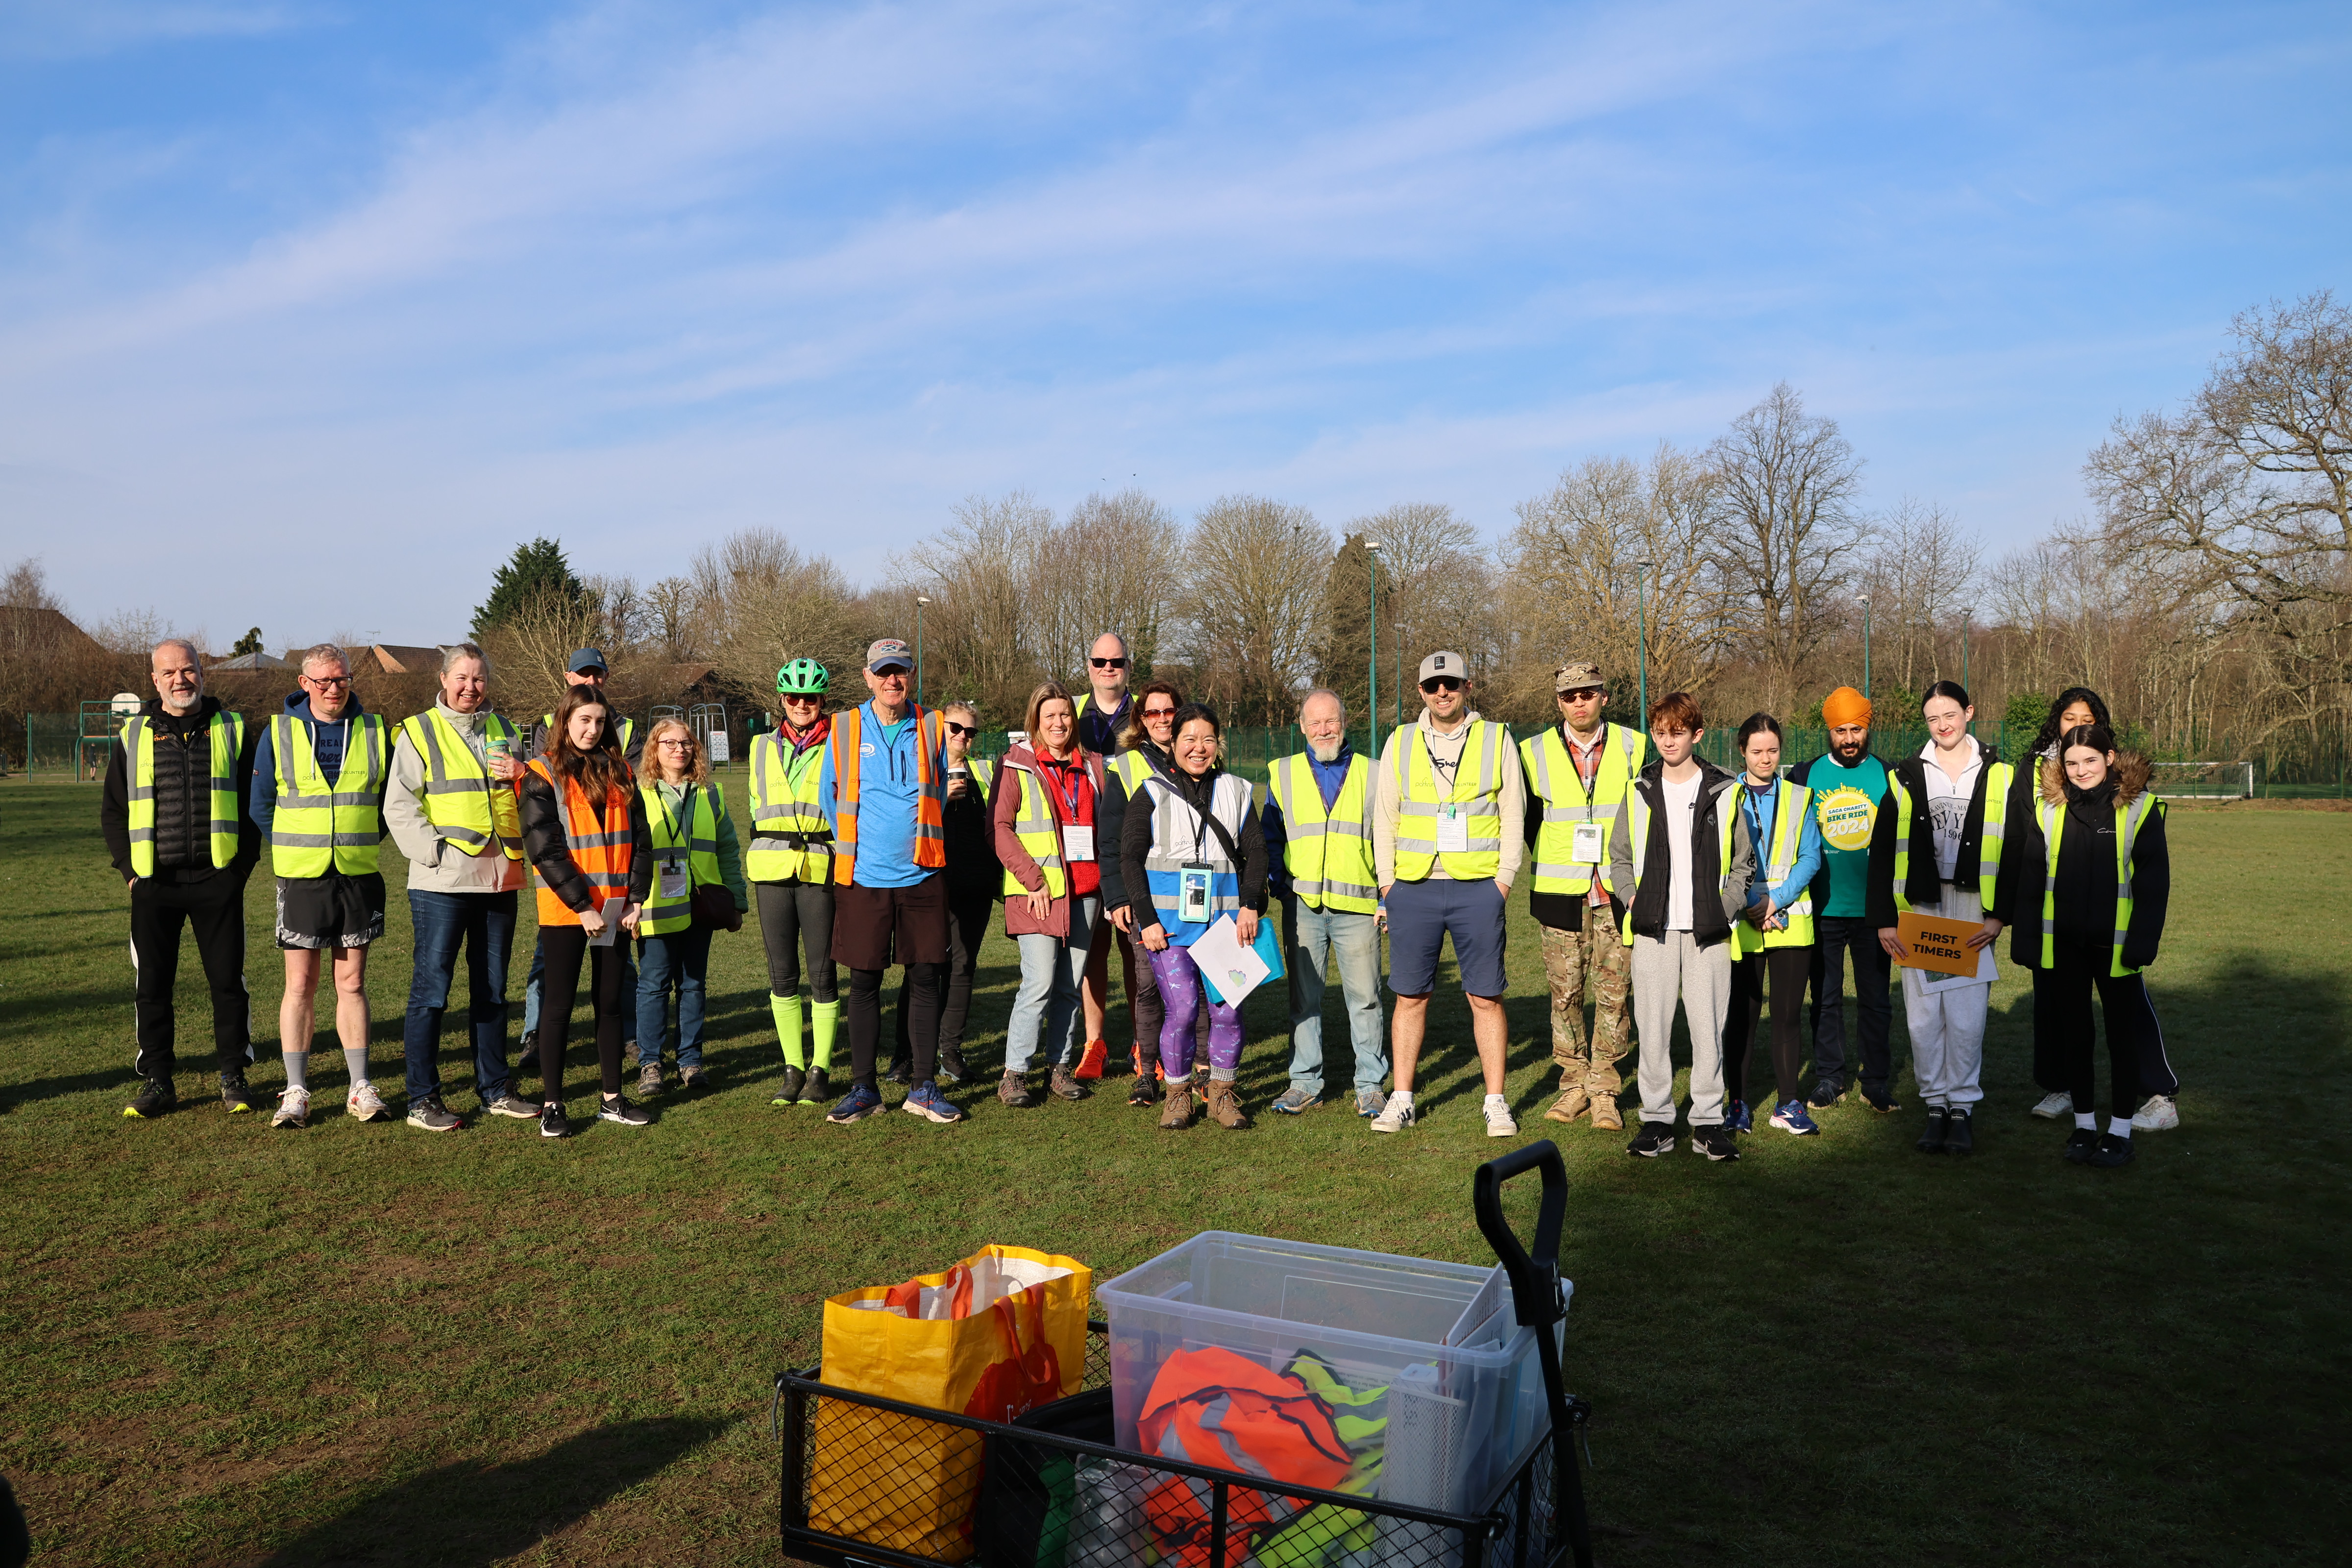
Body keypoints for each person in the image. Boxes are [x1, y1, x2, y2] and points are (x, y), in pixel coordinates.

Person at [1368, 651, 1527, 1138]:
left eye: (1451, 683)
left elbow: (1512, 811)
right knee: (1410, 997)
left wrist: (1503, 880)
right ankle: (1402, 1099)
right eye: (1433, 685)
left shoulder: (1497, 738)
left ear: (1468, 685)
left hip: (1478, 887)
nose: (1442, 692)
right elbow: (1385, 816)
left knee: (1485, 996)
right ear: (1420, 691)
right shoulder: (1401, 740)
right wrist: (1389, 883)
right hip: (1413, 888)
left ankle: (1496, 1102)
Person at [103, 637, 264, 1119]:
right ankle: (157, 1080)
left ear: (202, 672)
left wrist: (238, 871)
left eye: (188, 670)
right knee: (152, 985)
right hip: (155, 884)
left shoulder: (233, 729)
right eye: (169, 672)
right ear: (155, 680)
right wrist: (131, 873)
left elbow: (256, 807)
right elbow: (113, 812)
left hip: (218, 881)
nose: (181, 679)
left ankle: (234, 1075)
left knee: (227, 983)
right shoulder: (133, 735)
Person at [385, 642, 539, 1131]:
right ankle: (422, 1099)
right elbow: (399, 806)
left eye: (478, 679)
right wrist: (435, 853)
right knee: (432, 991)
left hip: (501, 877)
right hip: (442, 882)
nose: (470, 687)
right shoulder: (418, 730)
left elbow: (525, 797)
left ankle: (495, 1088)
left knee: (493, 989)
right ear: (443, 677)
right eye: (462, 677)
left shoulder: (508, 731)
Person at [2002, 722, 2170, 1169]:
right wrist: (2027, 942)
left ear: (2110, 759)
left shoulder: (2141, 808)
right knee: (2075, 1038)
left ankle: (2119, 1132)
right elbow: (2033, 879)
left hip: (2117, 949)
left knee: (2121, 1040)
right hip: (2064, 948)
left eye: (2091, 761)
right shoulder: (2049, 810)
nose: (2081, 771)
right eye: (2072, 763)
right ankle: (2083, 1127)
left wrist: (2141, 945)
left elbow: (2154, 885)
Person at [816, 637, 965, 1126]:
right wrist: (862, 848)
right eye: (884, 672)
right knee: (863, 981)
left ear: (911, 673)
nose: (892, 680)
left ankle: (923, 1085)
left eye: (900, 671)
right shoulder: (843, 727)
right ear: (868, 677)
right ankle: (864, 1088)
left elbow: (939, 788)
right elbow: (828, 795)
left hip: (923, 874)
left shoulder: (933, 724)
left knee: (925, 977)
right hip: (862, 877)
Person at [1868, 681, 2013, 1156]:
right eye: (1933, 717)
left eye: (1950, 713)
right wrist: (1886, 920)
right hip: (1922, 907)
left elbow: (2013, 850)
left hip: (1974, 908)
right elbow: (1882, 850)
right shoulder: (1906, 774)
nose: (1943, 724)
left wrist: (1999, 915)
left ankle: (1962, 1109)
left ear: (1970, 711)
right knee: (1926, 1013)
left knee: (1968, 1015)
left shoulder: (1998, 774)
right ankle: (1935, 1105)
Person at [1609, 692, 1754, 1162]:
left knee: (1708, 1027)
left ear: (1697, 734)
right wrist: (1633, 900)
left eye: (1678, 731)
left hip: (1708, 932)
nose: (1667, 740)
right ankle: (1656, 1120)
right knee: (1652, 1029)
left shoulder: (1727, 789)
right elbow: (1620, 858)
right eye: (1660, 731)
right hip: (1653, 929)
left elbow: (1743, 862)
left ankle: (1708, 1123)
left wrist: (1727, 906)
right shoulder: (1637, 789)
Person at [249, 645, 389, 1128]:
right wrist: (295, 847)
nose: (335, 687)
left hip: (356, 873)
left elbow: (385, 803)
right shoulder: (279, 732)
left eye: (343, 678)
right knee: (300, 985)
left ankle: (359, 1086)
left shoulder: (375, 730)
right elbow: (260, 804)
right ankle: (296, 1090)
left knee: (351, 983)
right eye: (325, 680)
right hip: (302, 876)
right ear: (305, 682)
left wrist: (357, 838)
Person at [1123, 703, 1269, 1130]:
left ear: (1218, 744)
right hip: (1168, 930)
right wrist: (1146, 920)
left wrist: (1250, 903)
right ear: (1174, 744)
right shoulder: (1150, 792)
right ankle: (1178, 1097)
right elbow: (1129, 859)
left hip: (1226, 928)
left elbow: (1257, 851)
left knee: (1226, 1013)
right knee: (1183, 1011)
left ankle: (1222, 1096)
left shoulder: (1238, 791)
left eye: (1208, 739)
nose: (1199, 748)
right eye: (1190, 739)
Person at [523, 686, 653, 1137]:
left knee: (611, 1005)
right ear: (565, 721)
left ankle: (612, 1099)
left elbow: (640, 840)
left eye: (599, 721)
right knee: (557, 1007)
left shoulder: (620, 770)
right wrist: (581, 905)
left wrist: (636, 900)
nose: (592, 729)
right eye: (583, 720)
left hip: (616, 911)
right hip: (567, 911)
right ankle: (554, 1105)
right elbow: (545, 849)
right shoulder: (542, 773)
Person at [1518, 661, 1643, 1130]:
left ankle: (1605, 1090)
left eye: (1588, 693)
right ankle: (1573, 1086)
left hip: (1618, 891)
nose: (1579, 702)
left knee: (1614, 996)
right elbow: (1527, 820)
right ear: (1558, 703)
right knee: (1565, 996)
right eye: (1570, 696)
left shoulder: (1636, 746)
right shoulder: (1532, 752)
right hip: (1559, 891)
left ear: (1604, 697)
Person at [1263, 688, 1386, 1117]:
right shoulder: (1282, 772)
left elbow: (1388, 840)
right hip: (1304, 907)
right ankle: (1304, 1082)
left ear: (1345, 721)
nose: (1323, 730)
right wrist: (1281, 886)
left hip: (1360, 906)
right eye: (1314, 723)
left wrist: (1388, 896)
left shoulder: (1376, 773)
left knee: (1365, 999)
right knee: (1304, 999)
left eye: (1330, 721)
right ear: (1301, 727)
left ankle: (1370, 1085)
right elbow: (1271, 837)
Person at [994, 683, 1109, 1106]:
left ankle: (1060, 1068)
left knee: (1069, 984)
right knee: (1039, 983)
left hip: (1085, 894)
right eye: (1049, 717)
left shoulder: (1094, 766)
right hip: (1037, 894)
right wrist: (1033, 881)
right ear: (1035, 722)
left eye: (1065, 715)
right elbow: (1000, 830)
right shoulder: (1017, 764)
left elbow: (1105, 832)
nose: (1059, 723)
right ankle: (1015, 1074)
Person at [1791, 686, 1897, 1113]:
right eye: (1840, 731)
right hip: (1824, 911)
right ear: (1829, 731)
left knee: (1876, 1000)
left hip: (1875, 913)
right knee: (1826, 999)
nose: (1849, 738)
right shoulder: (1804, 774)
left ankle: (1875, 1081)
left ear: (1867, 729)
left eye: (1856, 729)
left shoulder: (1890, 776)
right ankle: (1830, 1078)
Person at [1101, 680, 1205, 1107]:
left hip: (1200, 895)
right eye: (1153, 713)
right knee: (1148, 986)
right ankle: (1148, 1074)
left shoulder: (1201, 758)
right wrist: (1118, 899)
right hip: (1147, 897)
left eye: (1169, 711)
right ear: (1140, 720)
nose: (1162, 719)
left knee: (1197, 985)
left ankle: (1202, 1071)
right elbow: (1110, 842)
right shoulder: (1125, 768)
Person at [1721, 713, 1824, 1136]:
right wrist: (1749, 901)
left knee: (1786, 1017)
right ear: (1742, 751)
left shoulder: (1802, 797)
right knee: (1741, 1015)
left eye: (1773, 750)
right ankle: (1737, 1104)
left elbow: (1811, 858)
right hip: (1741, 919)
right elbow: (1719, 857)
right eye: (1757, 751)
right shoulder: (1725, 796)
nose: (1766, 758)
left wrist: (1775, 901)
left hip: (1790, 919)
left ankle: (1787, 1104)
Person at [746, 659, 841, 1107]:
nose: (801, 705)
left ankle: (820, 1070)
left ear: (823, 701)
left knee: (822, 972)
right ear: (781, 701)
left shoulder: (840, 743)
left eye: (810, 698)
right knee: (781, 973)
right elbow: (755, 803)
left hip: (820, 865)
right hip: (770, 868)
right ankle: (793, 1069)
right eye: (793, 698)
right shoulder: (760, 745)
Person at [634, 718, 747, 1095]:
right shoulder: (638, 793)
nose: (679, 749)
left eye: (686, 743)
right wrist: (628, 904)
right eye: (670, 743)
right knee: (653, 986)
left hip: (700, 904)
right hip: (654, 906)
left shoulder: (709, 793)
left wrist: (737, 901)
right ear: (655, 747)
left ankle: (690, 1062)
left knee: (693, 985)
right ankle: (651, 1064)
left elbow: (729, 849)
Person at [892, 700, 1000, 1085]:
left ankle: (951, 1052)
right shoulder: (921, 768)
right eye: (956, 729)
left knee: (963, 966)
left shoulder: (985, 772)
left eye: (971, 732)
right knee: (923, 968)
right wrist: (940, 798)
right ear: (939, 728)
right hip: (929, 881)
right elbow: (902, 820)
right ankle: (904, 1055)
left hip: (976, 884)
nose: (964, 738)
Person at [1072, 631, 1135, 1078]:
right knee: (1092, 950)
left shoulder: (1148, 711)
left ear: (1128, 666)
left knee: (1138, 949)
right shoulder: (1070, 714)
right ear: (1089, 666)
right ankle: (1095, 1043)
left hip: (1136, 850)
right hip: (1085, 849)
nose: (1108, 668)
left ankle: (1141, 1042)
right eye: (1100, 661)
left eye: (1116, 661)